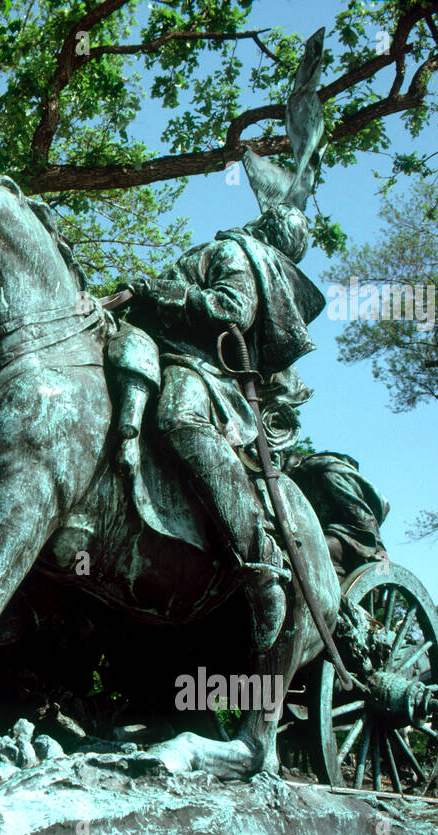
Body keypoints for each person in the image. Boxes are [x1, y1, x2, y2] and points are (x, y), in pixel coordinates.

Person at [122, 201, 325, 651]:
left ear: (266, 230)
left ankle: (262, 565)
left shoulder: (236, 251)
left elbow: (233, 310)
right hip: (153, 347)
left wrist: (161, 292)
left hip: (197, 367)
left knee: (179, 417)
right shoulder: (218, 249)